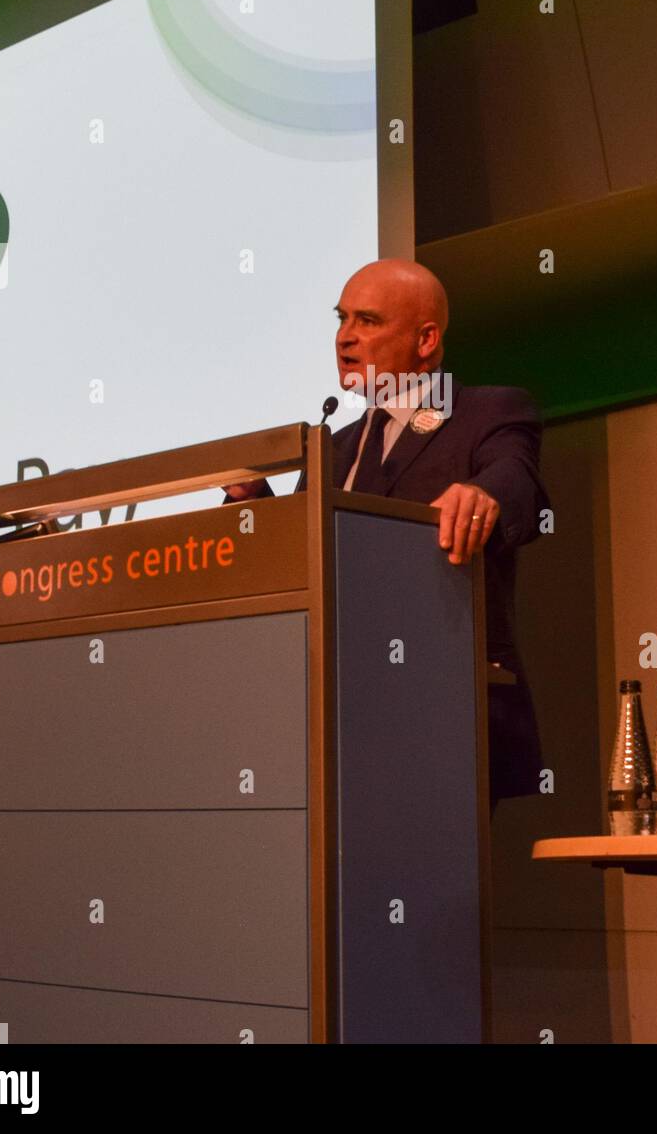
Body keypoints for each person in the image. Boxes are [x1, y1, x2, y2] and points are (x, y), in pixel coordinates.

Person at [224, 258, 549, 812]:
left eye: (368, 321)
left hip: (440, 711)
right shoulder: (332, 446)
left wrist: (484, 494)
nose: (346, 337)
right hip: (331, 716)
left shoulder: (485, 412)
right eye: (342, 318)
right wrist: (260, 510)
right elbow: (308, 562)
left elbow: (517, 479)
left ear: (426, 339)